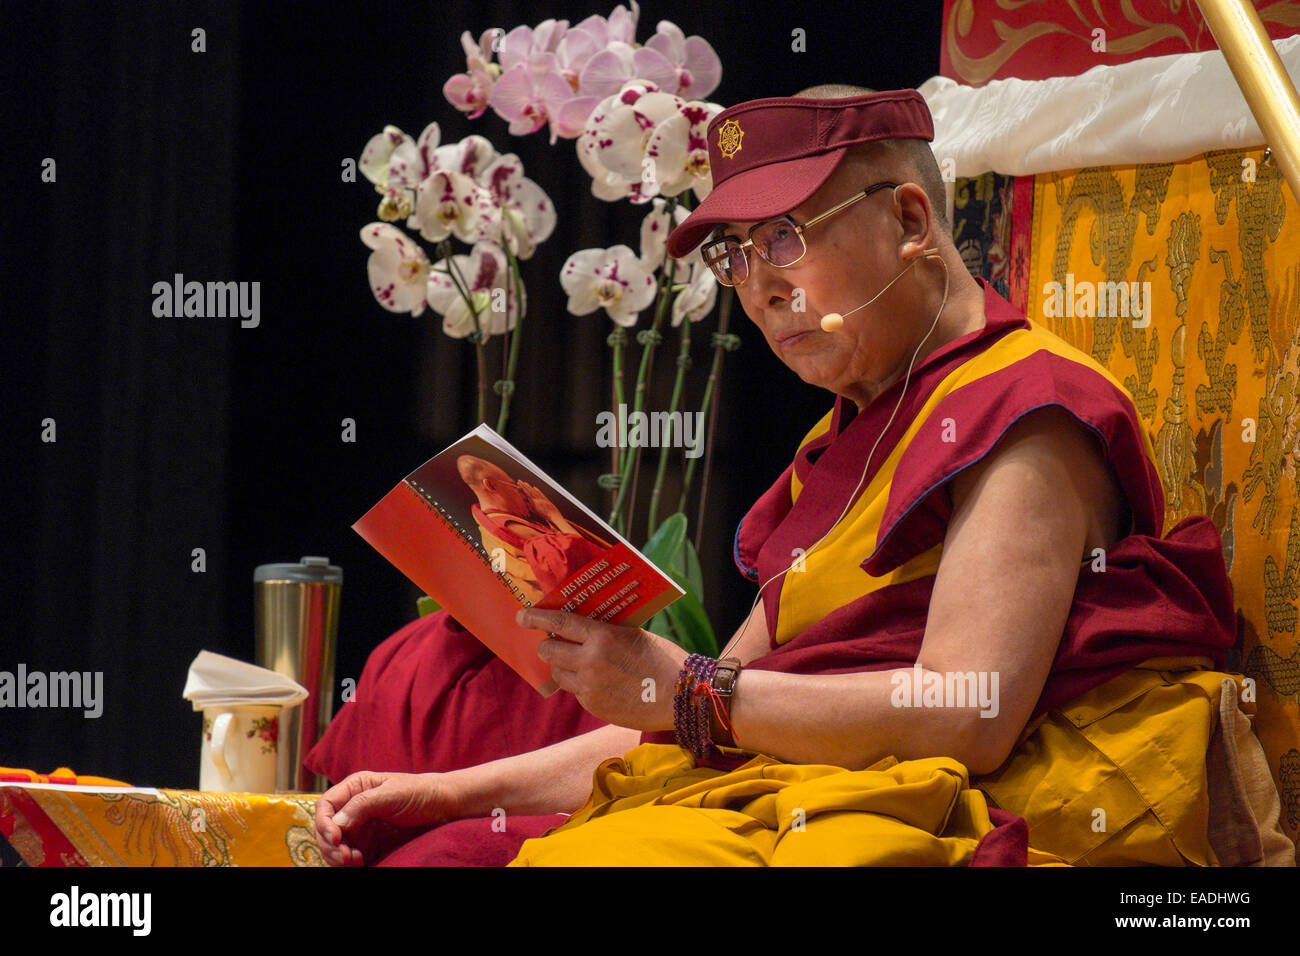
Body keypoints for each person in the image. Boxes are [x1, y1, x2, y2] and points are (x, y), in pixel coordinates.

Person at [314, 86, 1289, 866]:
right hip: (796, 790)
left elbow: (970, 710)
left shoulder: (1022, 406)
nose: (762, 285)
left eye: (786, 237)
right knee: (439, 850)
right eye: (739, 255)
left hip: (952, 799)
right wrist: (450, 790)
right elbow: (714, 709)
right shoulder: (844, 441)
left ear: (911, 216)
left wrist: (686, 688)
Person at [457, 454, 610, 600]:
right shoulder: (510, 528)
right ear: (490, 485)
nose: (522, 493)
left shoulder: (487, 523)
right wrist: (554, 516)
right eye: (513, 485)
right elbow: (588, 564)